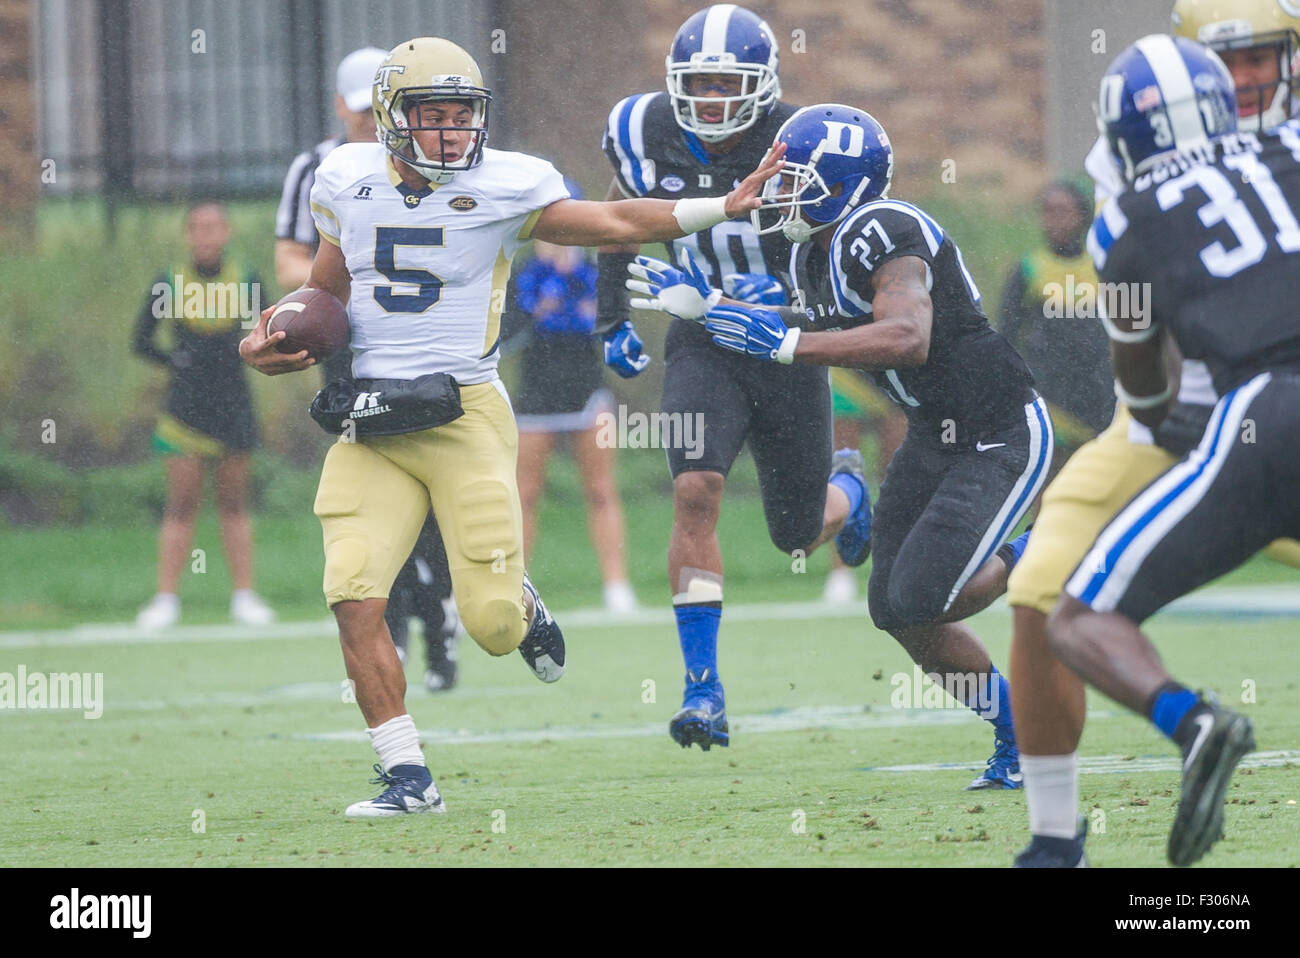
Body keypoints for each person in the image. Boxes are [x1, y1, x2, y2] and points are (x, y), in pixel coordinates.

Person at [238, 36, 783, 816]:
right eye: (434, 116)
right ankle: (408, 776)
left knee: (489, 624)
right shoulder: (345, 180)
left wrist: (720, 206)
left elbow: (614, 220)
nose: (454, 131)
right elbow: (324, 294)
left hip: (463, 416)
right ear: (391, 120)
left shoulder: (505, 185)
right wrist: (266, 341)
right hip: (373, 419)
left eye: (464, 114)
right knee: (355, 596)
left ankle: (520, 605)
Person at [645, 103, 1049, 788]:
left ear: (842, 182)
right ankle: (1019, 737)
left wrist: (788, 344)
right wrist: (714, 310)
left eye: (792, 178)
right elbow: (815, 321)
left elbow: (905, 336)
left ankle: (1050, 547)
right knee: (895, 610)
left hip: (997, 431)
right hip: (933, 437)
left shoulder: (879, 228)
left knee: (928, 596)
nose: (776, 193)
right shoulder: (811, 252)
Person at [1011, 2, 1300, 866]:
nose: (1252, 77)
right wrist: (1157, 417)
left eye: (1267, 58)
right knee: (1040, 589)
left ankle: (1190, 720)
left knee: (1086, 610)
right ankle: (1057, 836)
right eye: (1234, 61)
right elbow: (1144, 360)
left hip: (1254, 410)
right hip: (1172, 417)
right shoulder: (1150, 161)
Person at [597, 4, 873, 751]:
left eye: (730, 84)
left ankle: (848, 492)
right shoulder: (640, 130)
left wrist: (791, 304)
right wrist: (611, 316)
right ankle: (702, 688)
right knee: (695, 489)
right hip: (702, 339)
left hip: (787, 337)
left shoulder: (803, 140)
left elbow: (843, 254)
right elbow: (624, 220)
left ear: (763, 85)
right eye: (701, 84)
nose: (714, 100)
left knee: (794, 532)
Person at [275, 46, 459, 693]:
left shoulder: (447, 163)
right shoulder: (319, 169)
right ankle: (398, 637)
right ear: (341, 108)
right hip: (353, 353)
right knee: (379, 497)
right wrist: (343, 289)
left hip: (425, 347)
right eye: (359, 113)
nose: (368, 123)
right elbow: (291, 263)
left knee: (439, 487)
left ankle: (444, 628)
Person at [133, 200, 275, 629]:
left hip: (234, 403)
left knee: (234, 503)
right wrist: (174, 361)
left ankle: (245, 596)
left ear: (227, 231)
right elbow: (140, 340)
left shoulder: (247, 278)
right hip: (184, 409)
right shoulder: (169, 281)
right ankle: (166, 600)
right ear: (187, 234)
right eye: (198, 227)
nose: (206, 235)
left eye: (214, 226)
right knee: (181, 505)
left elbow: (266, 333)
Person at [507, 211, 639, 614]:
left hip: (587, 393)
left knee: (601, 490)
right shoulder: (522, 275)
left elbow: (616, 331)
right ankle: (516, 588)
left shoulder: (595, 275)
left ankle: (617, 587)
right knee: (524, 495)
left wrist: (580, 296)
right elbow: (505, 335)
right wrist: (538, 309)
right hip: (535, 398)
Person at [998, 180, 1113, 477]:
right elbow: (1008, 333)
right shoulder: (1029, 268)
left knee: (1098, 475)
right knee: (1050, 474)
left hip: (1100, 391)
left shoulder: (1104, 264)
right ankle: (1042, 526)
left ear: (1083, 215)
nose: (1054, 220)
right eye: (1047, 212)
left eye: (1063, 211)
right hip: (1051, 388)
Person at [822, 370, 906, 602]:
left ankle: (895, 567)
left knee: (898, 468)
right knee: (842, 465)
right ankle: (840, 571)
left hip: (894, 358)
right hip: (846, 362)